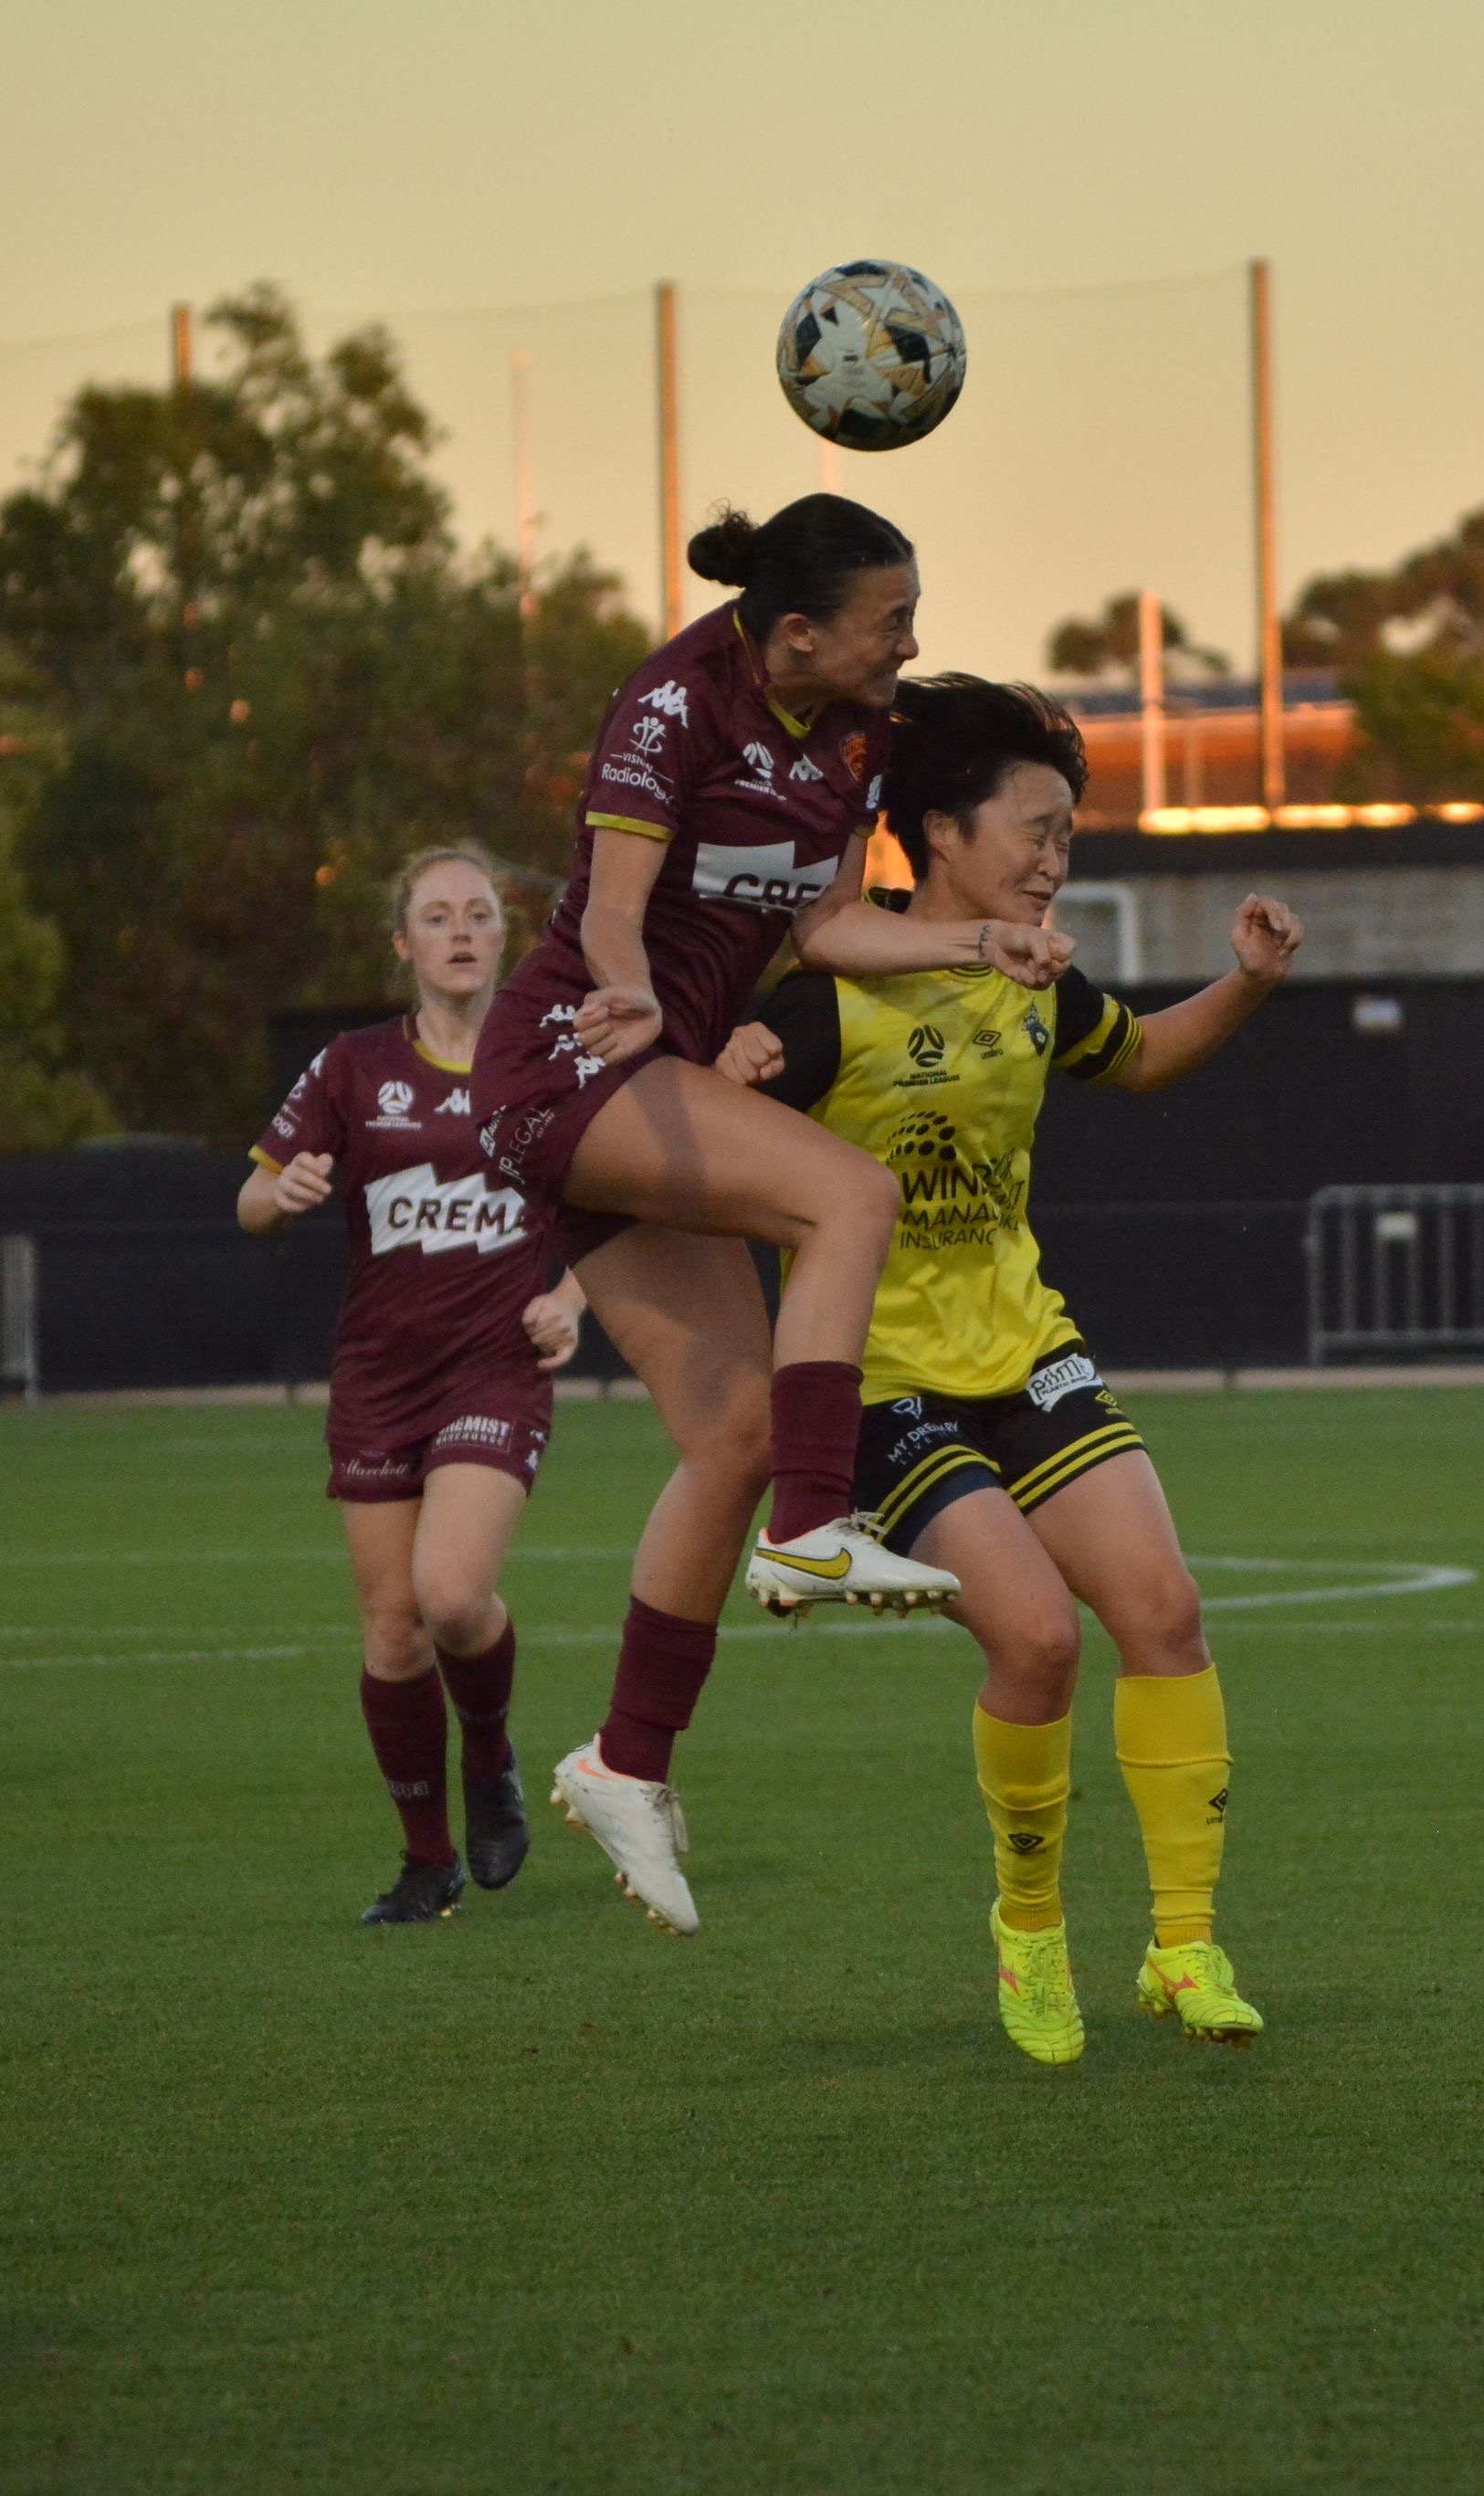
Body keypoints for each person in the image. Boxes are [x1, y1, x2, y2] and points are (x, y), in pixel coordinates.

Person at [464, 494, 1075, 1938]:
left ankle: (625, 1760)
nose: (909, 644)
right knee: (850, 1192)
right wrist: (629, 996)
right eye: (890, 621)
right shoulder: (674, 703)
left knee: (736, 1430)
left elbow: (821, 928)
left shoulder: (853, 734)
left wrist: (973, 936)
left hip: (647, 1076)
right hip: (572, 1057)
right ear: (796, 630)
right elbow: (612, 914)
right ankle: (813, 1529)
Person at [720, 674, 1301, 2062]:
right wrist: (722, 1070)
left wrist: (1247, 984)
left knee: (1165, 1612)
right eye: (1034, 832)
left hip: (1024, 1347)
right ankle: (1030, 1934)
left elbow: (1138, 1058)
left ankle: (1182, 1948)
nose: (1054, 861)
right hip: (881, 1383)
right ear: (940, 831)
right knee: (1037, 1642)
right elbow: (689, 1142)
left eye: (1067, 838)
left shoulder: (1036, 980)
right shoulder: (826, 1002)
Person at [242, 847, 590, 1924]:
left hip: (495, 1367)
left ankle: (488, 1754)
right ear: (403, 943)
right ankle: (428, 1860)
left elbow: (625, 1200)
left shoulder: (550, 1063)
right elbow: (251, 1200)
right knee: (393, 1631)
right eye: (436, 916)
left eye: (478, 913)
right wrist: (281, 1193)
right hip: (380, 1376)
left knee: (450, 1596)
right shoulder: (352, 1066)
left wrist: (572, 1297)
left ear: (504, 935)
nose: (461, 931)